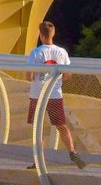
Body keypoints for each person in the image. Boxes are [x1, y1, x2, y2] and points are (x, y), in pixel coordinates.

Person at [27, 20, 82, 161]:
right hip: (55, 94)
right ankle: (72, 152)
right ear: (53, 34)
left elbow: (29, 77)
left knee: (37, 128)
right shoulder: (62, 52)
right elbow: (68, 75)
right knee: (61, 125)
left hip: (37, 94)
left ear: (40, 35)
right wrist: (57, 80)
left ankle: (38, 159)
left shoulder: (35, 53)